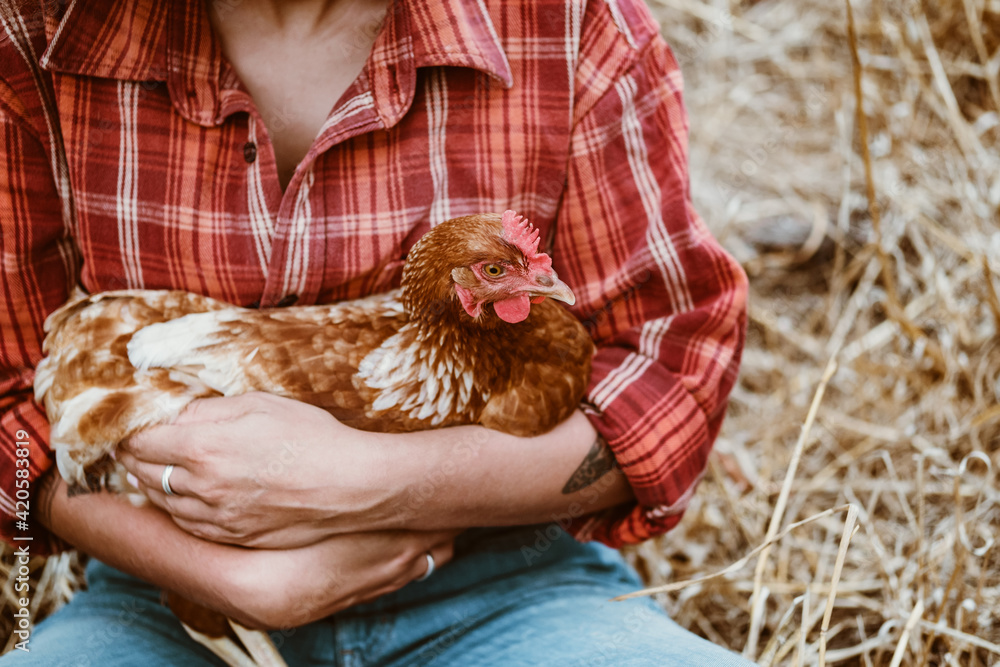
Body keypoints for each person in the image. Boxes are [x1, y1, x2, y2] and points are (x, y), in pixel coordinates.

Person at [0, 0, 751, 664]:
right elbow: (10, 412)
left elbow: (670, 379)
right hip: (165, 583)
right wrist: (225, 576)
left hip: (503, 573)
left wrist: (370, 483)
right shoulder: (35, 34)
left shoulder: (568, 22)